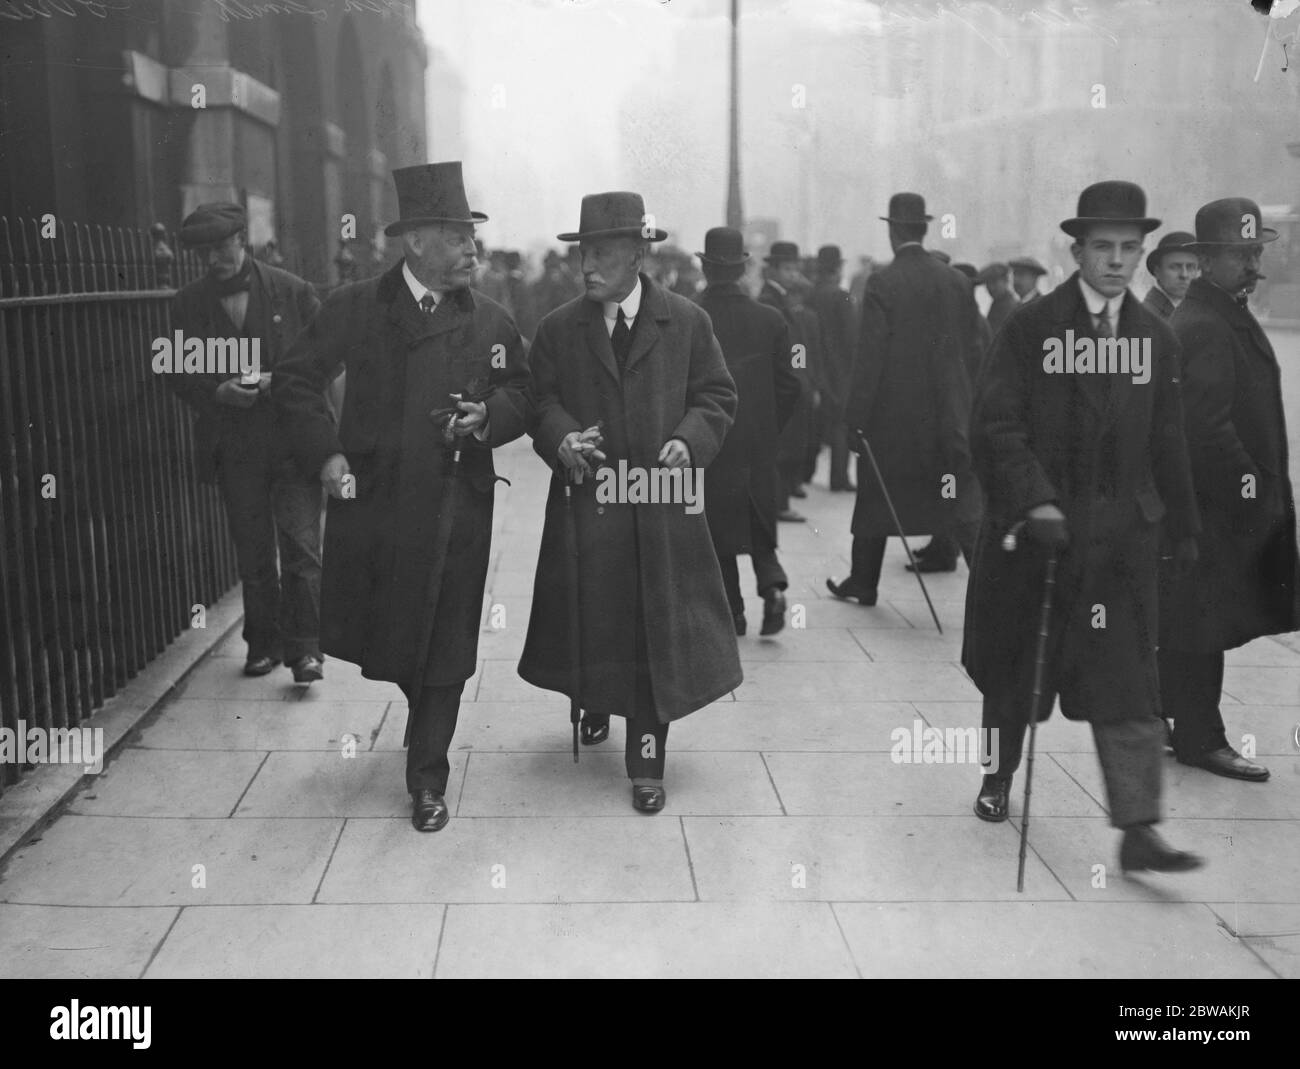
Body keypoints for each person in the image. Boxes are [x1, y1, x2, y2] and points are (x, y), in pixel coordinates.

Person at [273, 162, 533, 833]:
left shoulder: (494, 324)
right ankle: (422, 707)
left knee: (445, 642)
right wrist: (326, 454)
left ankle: (428, 776)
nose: (471, 247)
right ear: (415, 241)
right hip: (378, 510)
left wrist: (489, 418)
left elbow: (525, 393)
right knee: (393, 640)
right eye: (456, 235)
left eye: (472, 234)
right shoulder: (357, 308)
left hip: (457, 507)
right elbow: (297, 379)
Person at [963, 180, 1203, 874]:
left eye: (1131, 248)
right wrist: (1034, 501)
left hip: (1121, 544)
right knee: (1013, 674)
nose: (1118, 260)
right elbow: (995, 425)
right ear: (1077, 250)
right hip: (1038, 543)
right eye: (1104, 247)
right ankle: (995, 775)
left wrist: (1183, 527)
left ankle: (1138, 828)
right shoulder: (1034, 327)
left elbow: (1169, 440)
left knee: (1129, 683)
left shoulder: (1154, 338)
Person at [517, 191, 741, 814]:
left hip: (660, 506)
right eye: (583, 253)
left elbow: (717, 396)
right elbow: (540, 401)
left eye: (602, 254)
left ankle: (646, 758)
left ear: (638, 255)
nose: (586, 266)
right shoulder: (560, 328)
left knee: (651, 629)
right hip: (588, 507)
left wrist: (688, 440)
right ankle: (593, 699)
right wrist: (561, 437)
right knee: (595, 617)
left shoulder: (688, 322)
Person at [1159, 197, 1300, 782]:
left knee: (1196, 616)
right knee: (1201, 620)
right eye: (1239, 255)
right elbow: (1207, 427)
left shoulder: (1215, 314)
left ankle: (1185, 728)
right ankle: (1201, 739)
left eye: (1254, 252)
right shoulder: (1208, 325)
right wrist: (1250, 490)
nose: (1252, 264)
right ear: (1207, 259)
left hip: (1208, 506)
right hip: (1214, 508)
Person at [168, 202, 325, 682]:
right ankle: (263, 645)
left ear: (242, 241)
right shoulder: (187, 304)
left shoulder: (292, 291)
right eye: (205, 253)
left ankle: (305, 651)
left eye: (221, 248)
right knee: (254, 554)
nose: (214, 259)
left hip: (293, 443)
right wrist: (218, 391)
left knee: (301, 549)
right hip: (234, 448)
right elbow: (174, 369)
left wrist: (281, 382)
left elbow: (328, 356)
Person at [826, 193, 980, 604]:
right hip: (949, 415)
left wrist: (855, 418)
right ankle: (992, 584)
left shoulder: (884, 282)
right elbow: (976, 349)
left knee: (877, 496)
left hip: (894, 419)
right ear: (924, 229)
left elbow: (870, 356)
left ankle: (863, 581)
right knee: (957, 499)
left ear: (893, 230)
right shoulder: (958, 282)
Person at [697, 227, 801, 637]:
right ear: (742, 269)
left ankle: (733, 612)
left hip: (709, 440)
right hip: (758, 441)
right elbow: (791, 384)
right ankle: (772, 585)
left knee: (718, 528)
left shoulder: (690, 315)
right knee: (758, 519)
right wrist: (769, 427)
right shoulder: (770, 318)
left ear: (705, 267)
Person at [758, 241, 812, 519]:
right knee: (781, 445)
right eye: (788, 268)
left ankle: (782, 500)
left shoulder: (781, 298)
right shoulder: (770, 300)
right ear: (774, 269)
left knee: (788, 443)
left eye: (795, 269)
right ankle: (779, 505)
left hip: (789, 379)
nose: (793, 274)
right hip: (781, 381)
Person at [811, 244, 858, 492]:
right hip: (839, 371)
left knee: (815, 424)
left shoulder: (811, 293)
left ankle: (803, 475)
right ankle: (839, 477)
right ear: (837, 268)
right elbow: (851, 338)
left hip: (814, 367)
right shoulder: (841, 296)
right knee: (840, 425)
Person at [1142, 231, 1198, 319]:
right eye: (1175, 267)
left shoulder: (1195, 308)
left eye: (1190, 267)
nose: (1184, 275)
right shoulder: (1148, 315)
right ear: (1157, 272)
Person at [978, 262, 1016, 335]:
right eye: (987, 284)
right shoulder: (998, 303)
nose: (991, 288)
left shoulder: (1009, 306)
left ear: (1006, 280)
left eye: (994, 282)